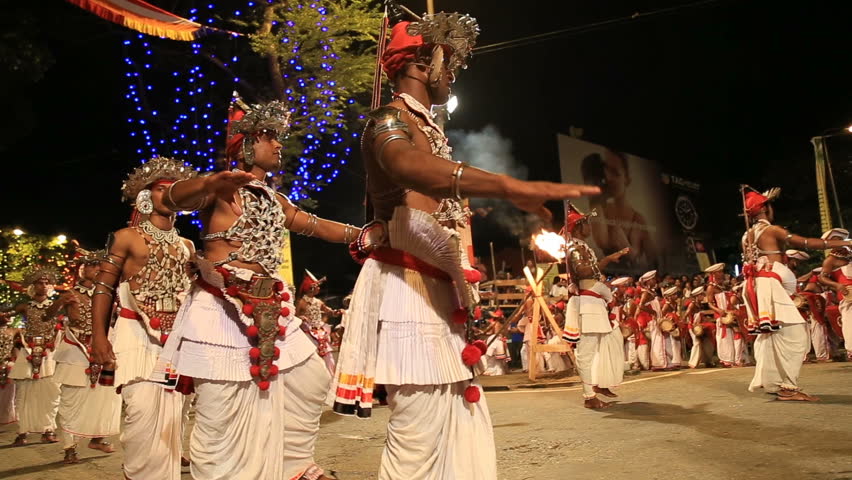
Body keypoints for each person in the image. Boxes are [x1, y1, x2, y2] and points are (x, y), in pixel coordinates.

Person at [330, 10, 599, 479]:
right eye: (449, 63)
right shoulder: (386, 120)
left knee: (460, 419)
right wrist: (508, 185)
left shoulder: (428, 129)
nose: (452, 76)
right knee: (419, 433)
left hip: (438, 286)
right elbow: (406, 166)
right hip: (406, 285)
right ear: (420, 64)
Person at [158, 95, 358, 480]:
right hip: (221, 307)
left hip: (271, 306)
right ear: (248, 144)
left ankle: (294, 465)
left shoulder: (275, 199)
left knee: (312, 379)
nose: (279, 144)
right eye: (270, 137)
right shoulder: (219, 189)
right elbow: (170, 199)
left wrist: (363, 234)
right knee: (221, 409)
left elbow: (315, 225)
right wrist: (209, 182)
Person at [89, 157, 197, 479]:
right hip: (134, 336)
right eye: (163, 189)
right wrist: (98, 336)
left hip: (176, 342)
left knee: (172, 420)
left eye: (176, 190)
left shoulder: (188, 246)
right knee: (140, 415)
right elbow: (103, 288)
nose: (171, 194)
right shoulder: (126, 237)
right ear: (146, 197)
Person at [741, 187, 852, 401]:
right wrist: (846, 242)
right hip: (767, 285)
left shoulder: (747, 235)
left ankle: (773, 383)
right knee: (796, 334)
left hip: (759, 285)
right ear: (765, 208)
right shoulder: (771, 230)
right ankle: (787, 387)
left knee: (771, 335)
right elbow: (808, 243)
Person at [53, 249, 121, 463]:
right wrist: (60, 304)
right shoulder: (70, 293)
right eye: (91, 264)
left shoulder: (111, 293)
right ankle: (69, 447)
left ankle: (97, 438)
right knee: (71, 400)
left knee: (105, 397)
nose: (96, 268)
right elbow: (47, 316)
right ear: (81, 269)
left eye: (99, 264)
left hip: (105, 350)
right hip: (75, 351)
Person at [561, 203, 628, 409]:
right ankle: (589, 396)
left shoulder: (582, 247)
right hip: (587, 306)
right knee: (586, 353)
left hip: (596, 305)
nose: (590, 227)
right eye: (587, 223)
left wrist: (608, 258)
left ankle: (600, 384)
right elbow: (583, 272)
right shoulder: (575, 247)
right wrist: (599, 273)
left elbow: (590, 270)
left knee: (608, 344)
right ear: (579, 227)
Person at [5, 266, 64, 446]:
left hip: (49, 351)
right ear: (33, 285)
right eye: (39, 283)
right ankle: (23, 431)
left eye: (47, 283)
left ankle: (48, 429)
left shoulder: (56, 307)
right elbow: (6, 316)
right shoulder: (24, 306)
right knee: (24, 393)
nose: (43, 286)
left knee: (50, 392)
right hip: (27, 349)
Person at [582, 149, 656, 268]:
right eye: (605, 171)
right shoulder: (599, 209)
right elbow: (601, 241)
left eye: (615, 172)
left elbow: (654, 262)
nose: (609, 178)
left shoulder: (638, 219)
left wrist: (630, 251)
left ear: (627, 179)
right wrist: (595, 199)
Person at [297, 270, 342, 374]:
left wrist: (335, 312)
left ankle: (328, 374)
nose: (319, 288)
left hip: (320, 332)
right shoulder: (302, 302)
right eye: (317, 286)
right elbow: (294, 316)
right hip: (307, 332)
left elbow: (329, 311)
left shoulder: (318, 302)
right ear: (311, 288)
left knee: (326, 353)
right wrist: (301, 318)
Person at [817, 229, 852, 361]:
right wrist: (837, 285)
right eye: (836, 240)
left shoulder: (849, 253)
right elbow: (822, 277)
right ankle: (851, 350)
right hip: (847, 293)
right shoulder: (830, 260)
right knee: (849, 321)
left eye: (840, 239)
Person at [705, 263, 736, 367]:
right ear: (713, 274)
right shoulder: (711, 287)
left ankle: (733, 358)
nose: (721, 273)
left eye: (722, 271)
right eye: (719, 272)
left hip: (728, 313)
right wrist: (718, 310)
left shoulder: (723, 285)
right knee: (724, 337)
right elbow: (709, 303)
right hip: (721, 315)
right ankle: (726, 359)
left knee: (731, 336)